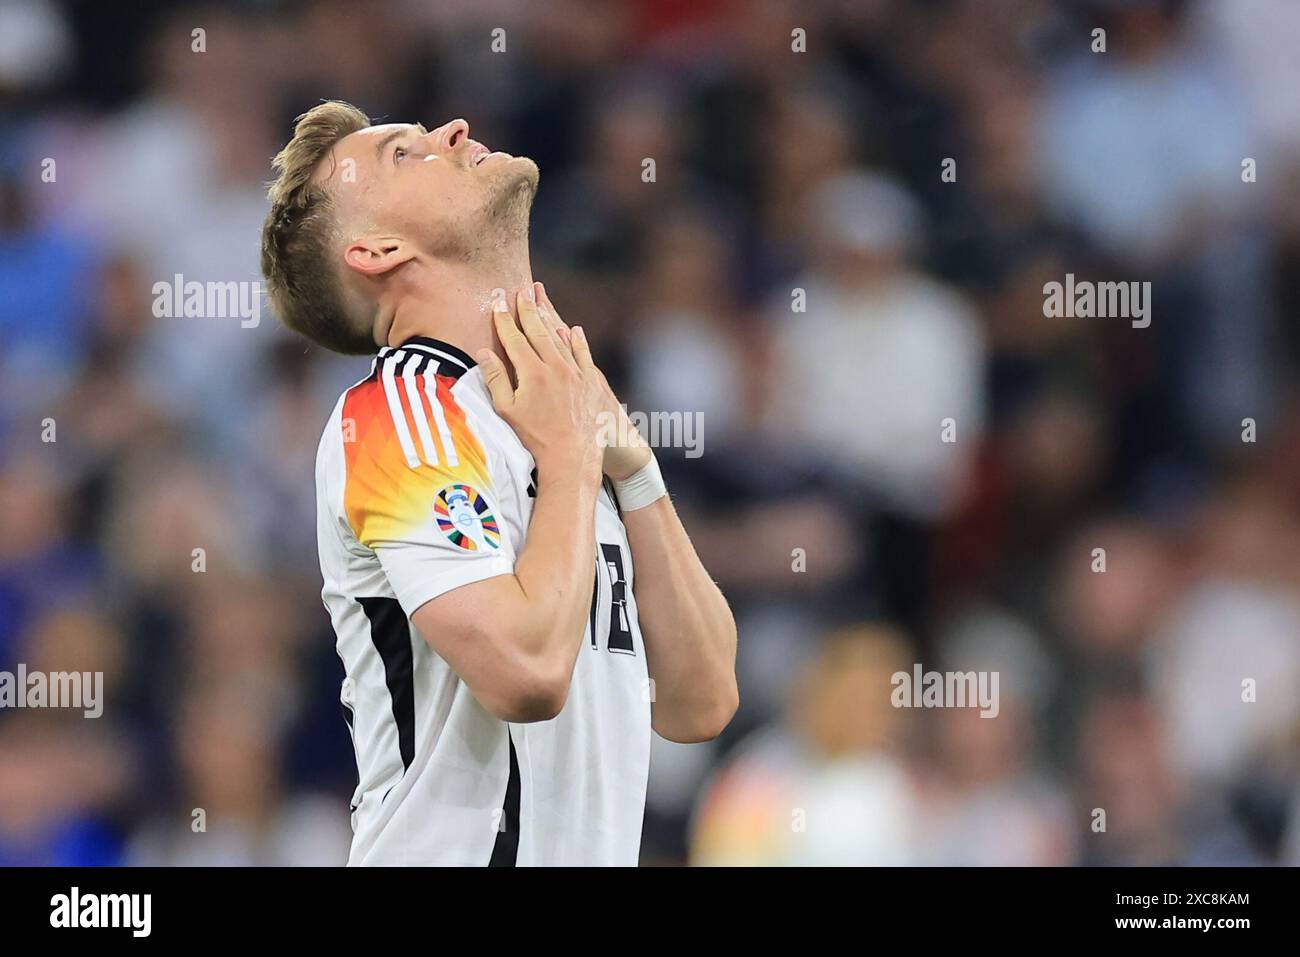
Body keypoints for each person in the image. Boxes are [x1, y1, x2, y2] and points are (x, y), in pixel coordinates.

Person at [259, 102, 738, 865]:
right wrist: (575, 458)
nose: (450, 130)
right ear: (377, 249)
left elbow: (702, 699)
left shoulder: (554, 415)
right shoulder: (397, 416)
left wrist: (635, 472)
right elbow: (525, 675)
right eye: (402, 154)